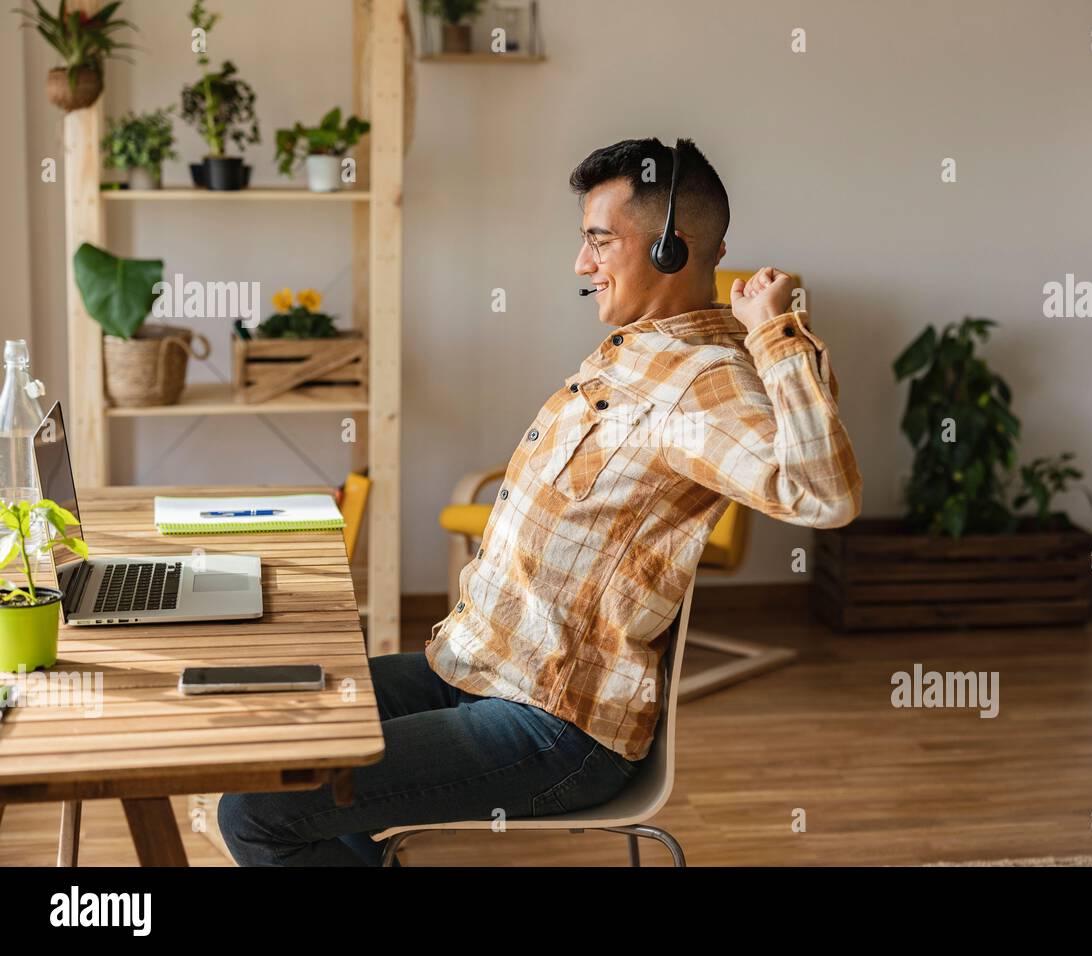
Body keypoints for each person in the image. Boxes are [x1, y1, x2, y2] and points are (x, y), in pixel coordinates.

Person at [218, 137, 862, 865]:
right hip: (468, 667)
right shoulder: (628, 350)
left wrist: (774, 333)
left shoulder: (701, 384)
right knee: (267, 728)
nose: (580, 264)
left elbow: (823, 494)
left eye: (598, 240)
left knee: (258, 808)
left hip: (552, 724)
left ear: (670, 250)